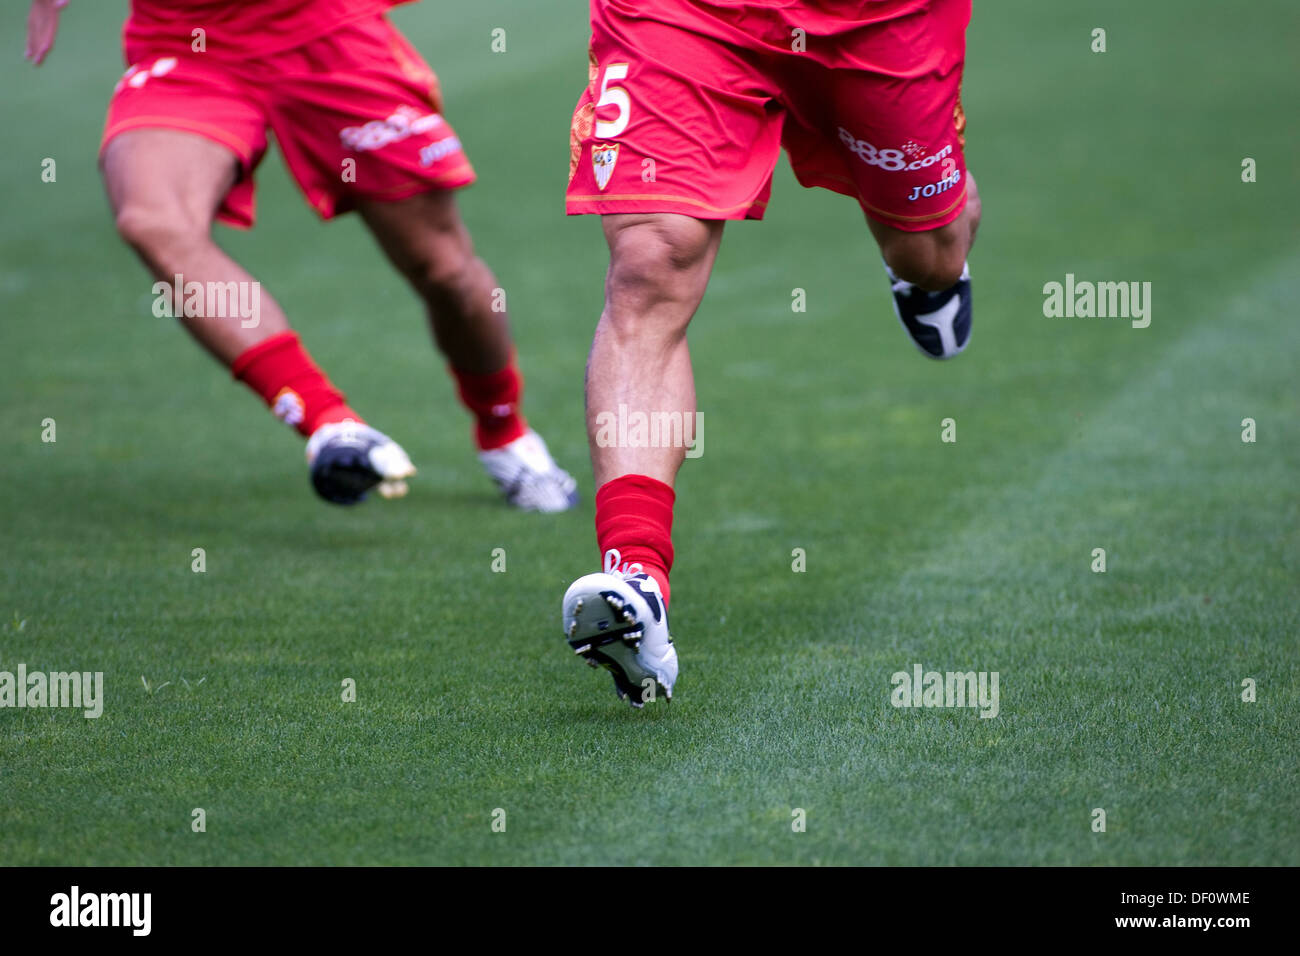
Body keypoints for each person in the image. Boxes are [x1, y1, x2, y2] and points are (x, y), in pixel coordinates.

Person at [559, 0, 980, 705]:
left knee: (930, 253)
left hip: (881, 18)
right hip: (688, 13)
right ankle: (637, 577)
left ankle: (923, 270)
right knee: (650, 264)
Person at [25, 0, 578, 510]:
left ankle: (504, 432)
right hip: (187, 41)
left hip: (322, 30)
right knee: (152, 220)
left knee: (444, 268)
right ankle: (330, 424)